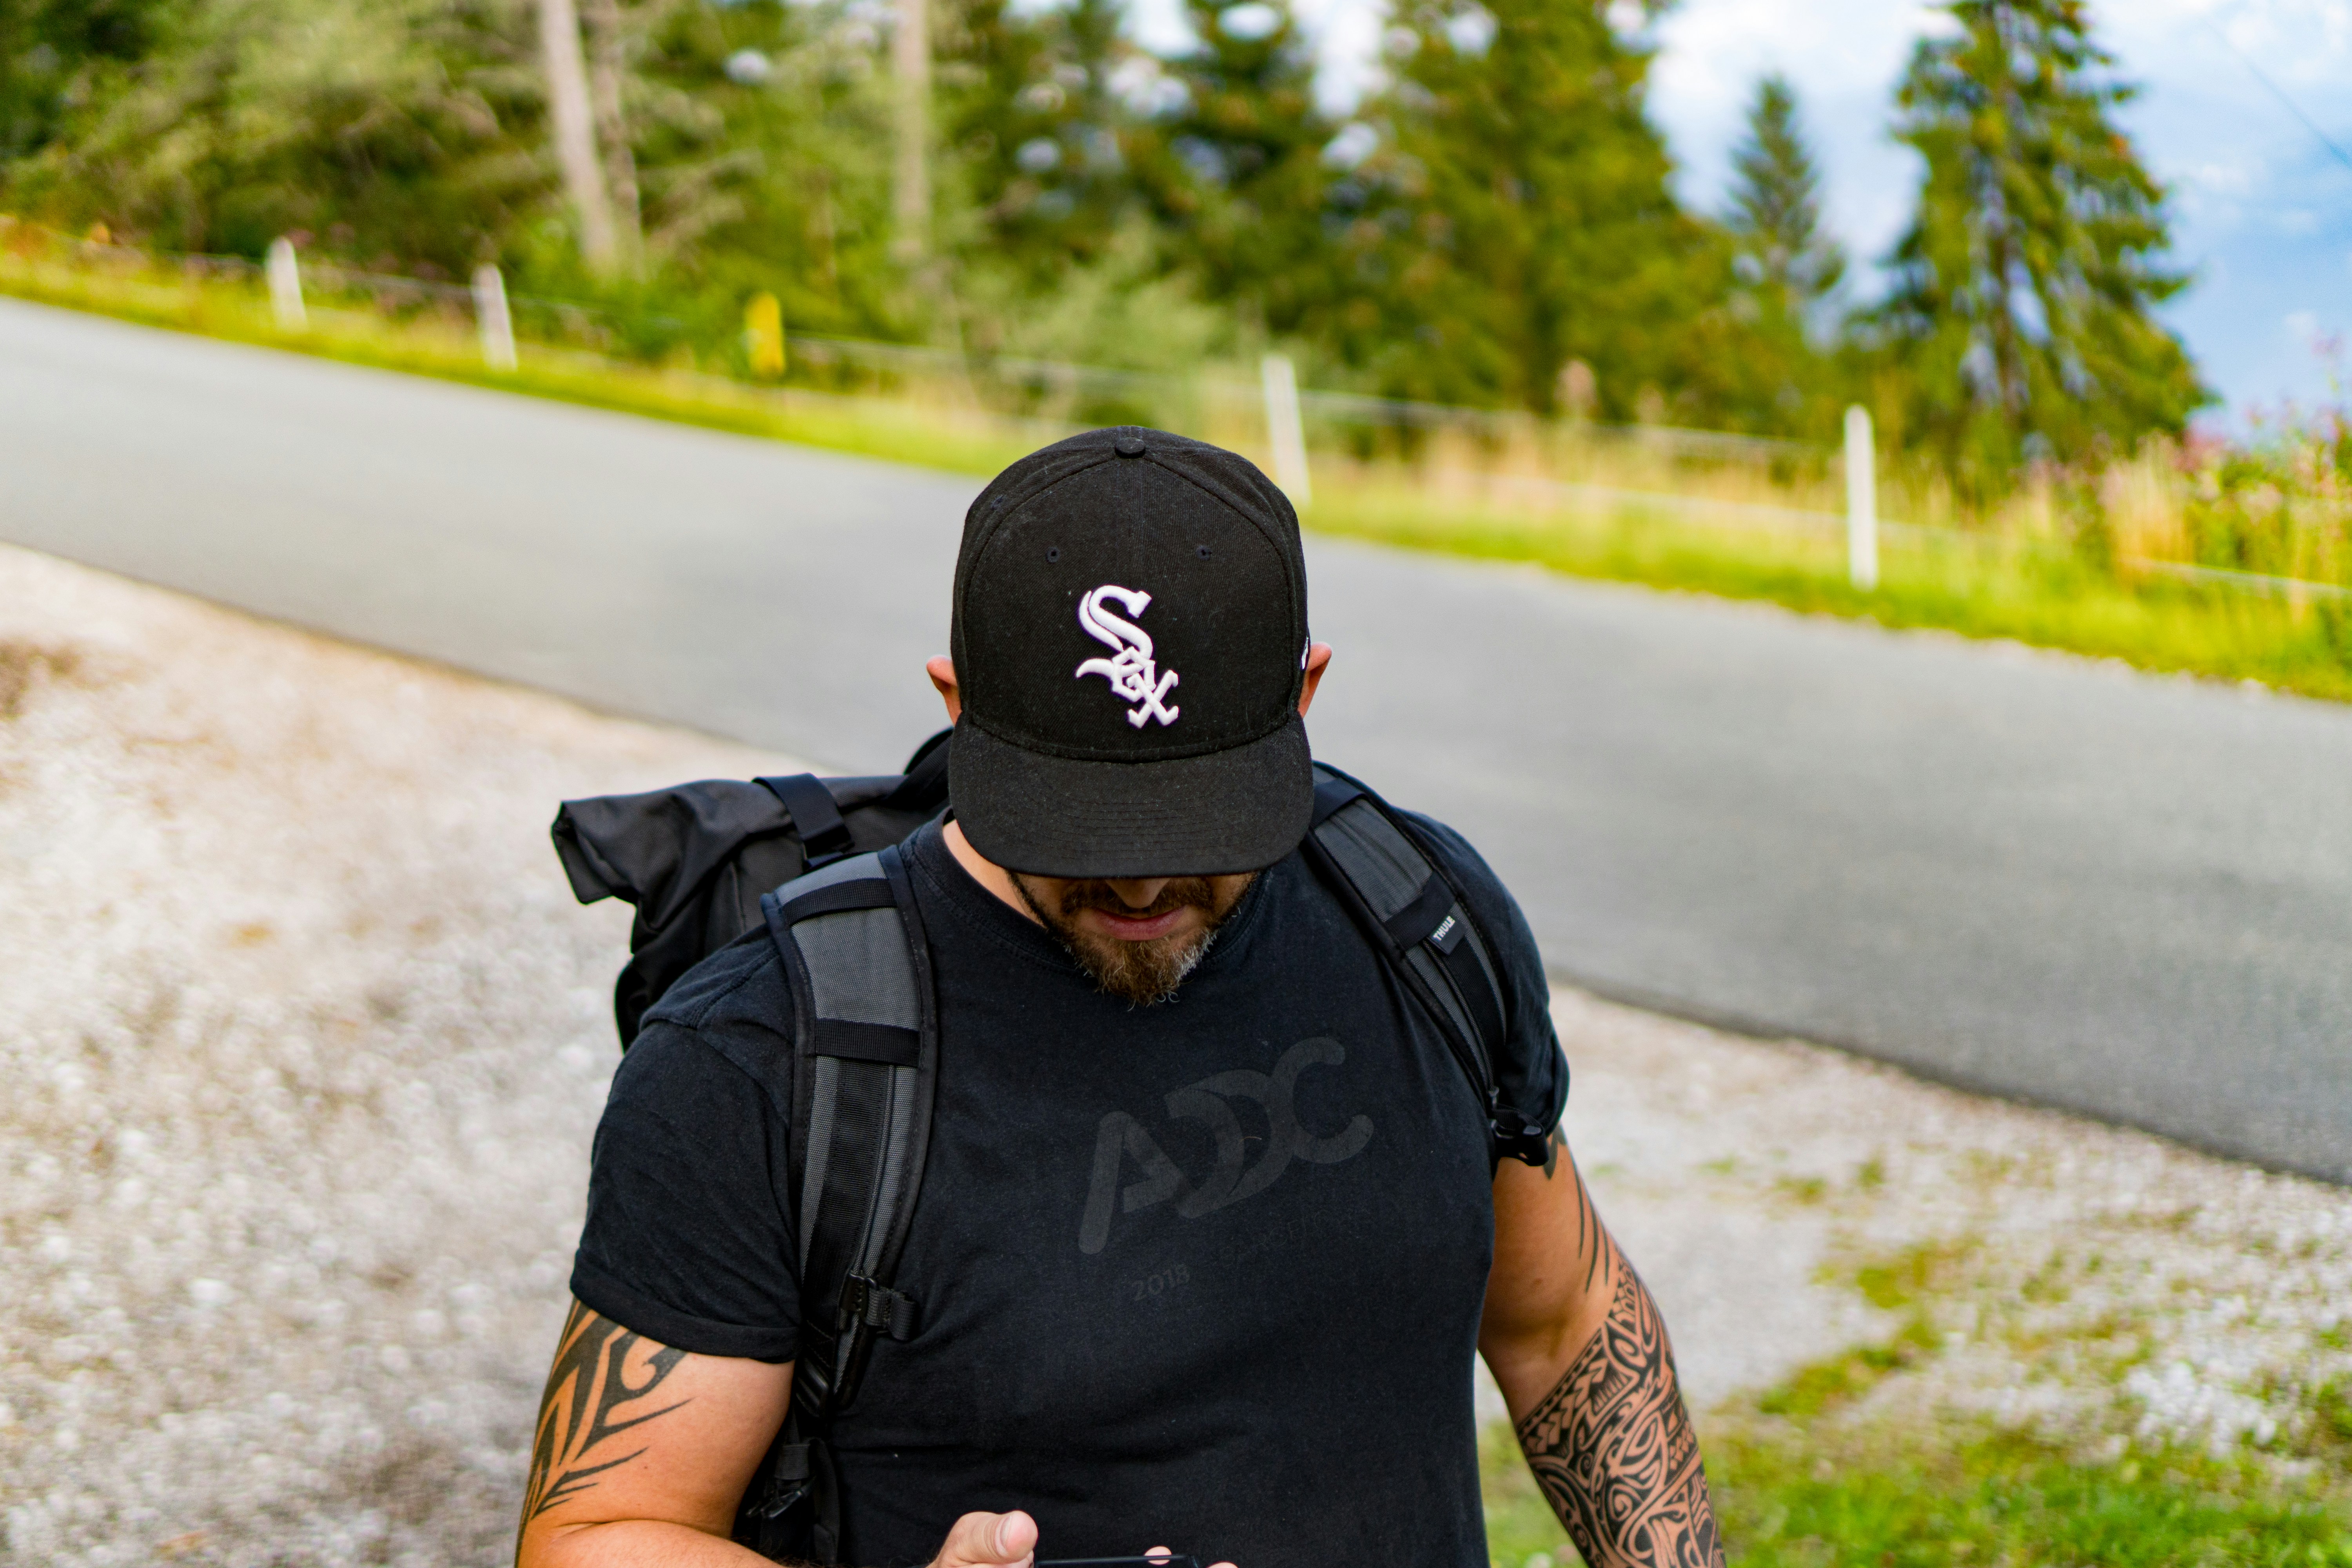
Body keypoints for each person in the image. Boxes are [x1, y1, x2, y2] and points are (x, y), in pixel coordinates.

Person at [515, 429, 1724, 1568]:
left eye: (1199, 817)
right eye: (1079, 820)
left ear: (1302, 698)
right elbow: (595, 1531)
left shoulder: (1415, 909)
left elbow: (1562, 1324)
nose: (1143, 875)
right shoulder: (764, 1055)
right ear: (957, 705)